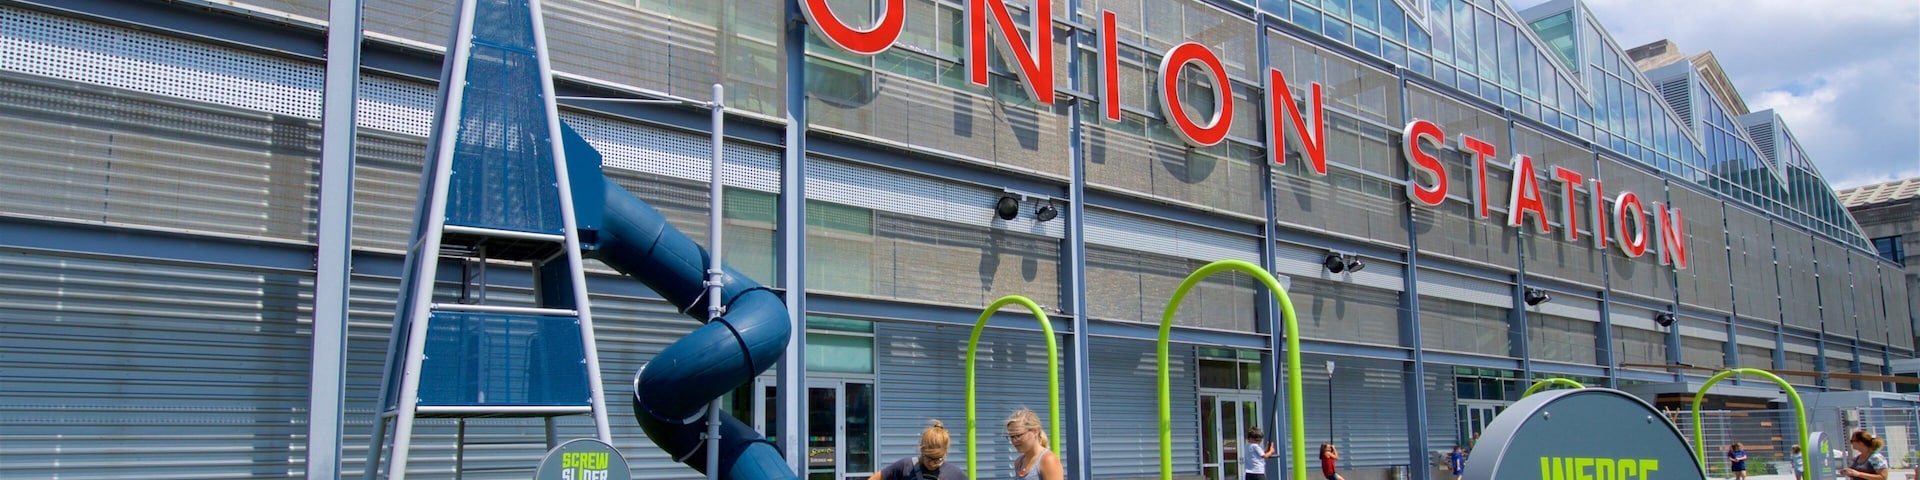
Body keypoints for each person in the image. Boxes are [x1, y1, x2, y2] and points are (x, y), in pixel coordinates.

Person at [871, 420, 966, 480]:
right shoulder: (905, 466)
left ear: (945, 453)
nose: (932, 463)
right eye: (929, 458)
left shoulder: (955, 474)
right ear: (921, 450)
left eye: (938, 459)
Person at [1006, 408, 1063, 480]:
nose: (1014, 440)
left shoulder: (1048, 460)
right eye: (1012, 436)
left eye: (1019, 435)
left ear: (1035, 431)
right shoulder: (1019, 462)